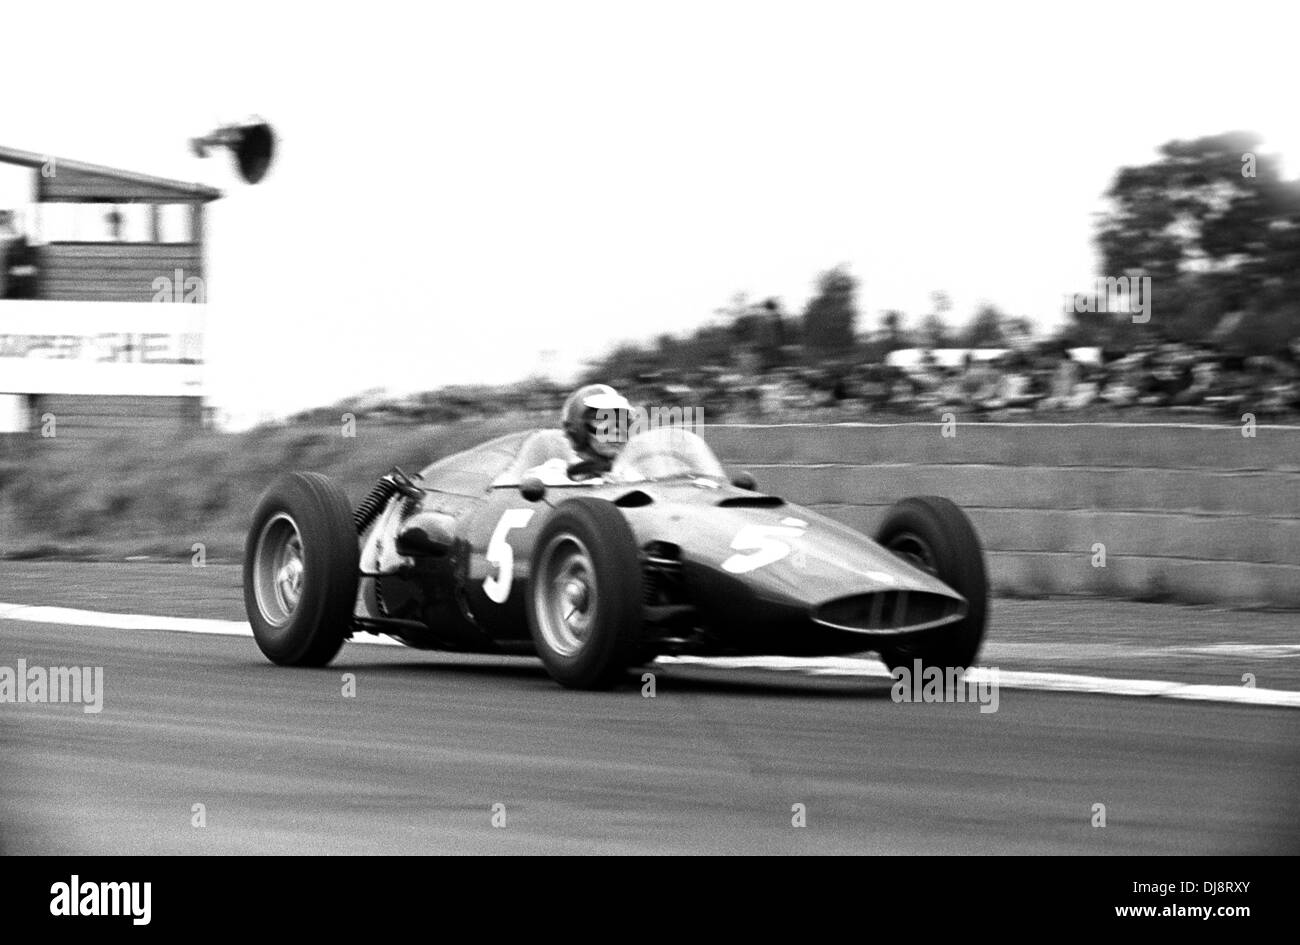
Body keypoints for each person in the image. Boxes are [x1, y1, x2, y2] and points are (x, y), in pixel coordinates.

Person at [559, 383, 634, 480]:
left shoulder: (632, 472)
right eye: (602, 420)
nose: (616, 430)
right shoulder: (557, 471)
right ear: (577, 428)